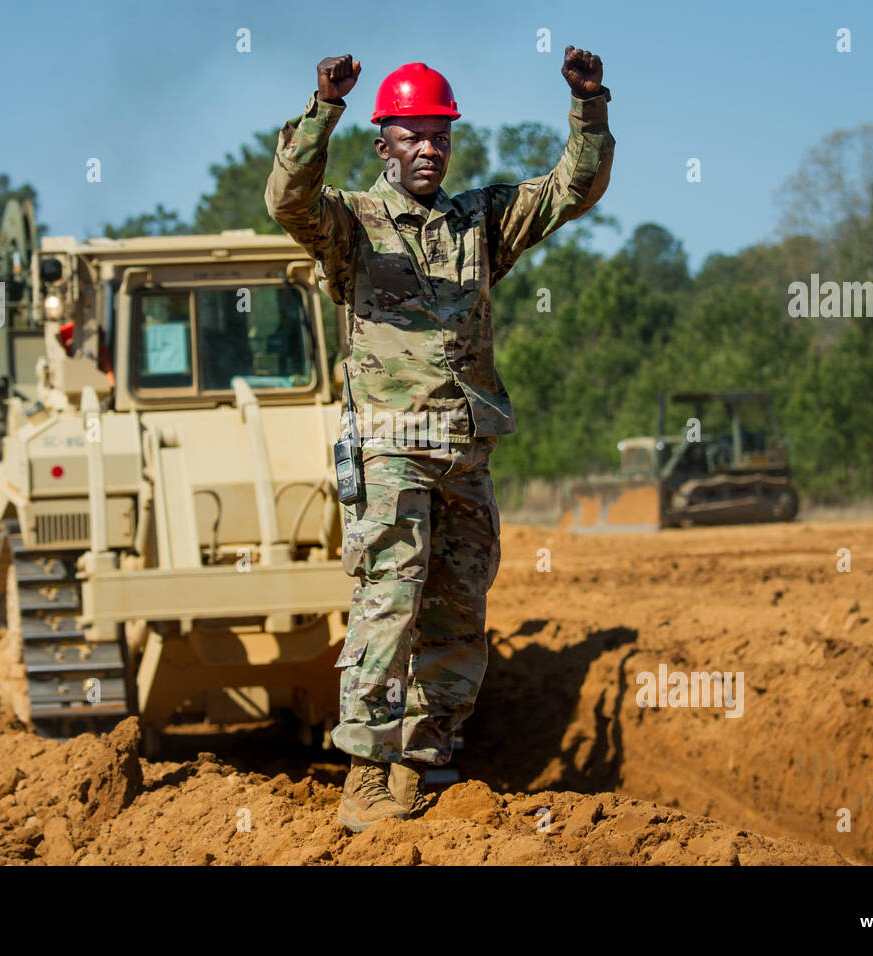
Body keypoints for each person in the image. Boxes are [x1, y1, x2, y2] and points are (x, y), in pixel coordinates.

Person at [264, 47, 615, 833]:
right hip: (391, 445)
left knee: (458, 610)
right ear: (383, 143)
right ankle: (365, 770)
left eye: (441, 136)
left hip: (464, 447)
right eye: (413, 136)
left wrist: (588, 106)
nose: (429, 149)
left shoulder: (479, 223)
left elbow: (572, 189)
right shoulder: (351, 223)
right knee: (390, 597)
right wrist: (323, 109)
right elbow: (287, 198)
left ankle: (420, 763)